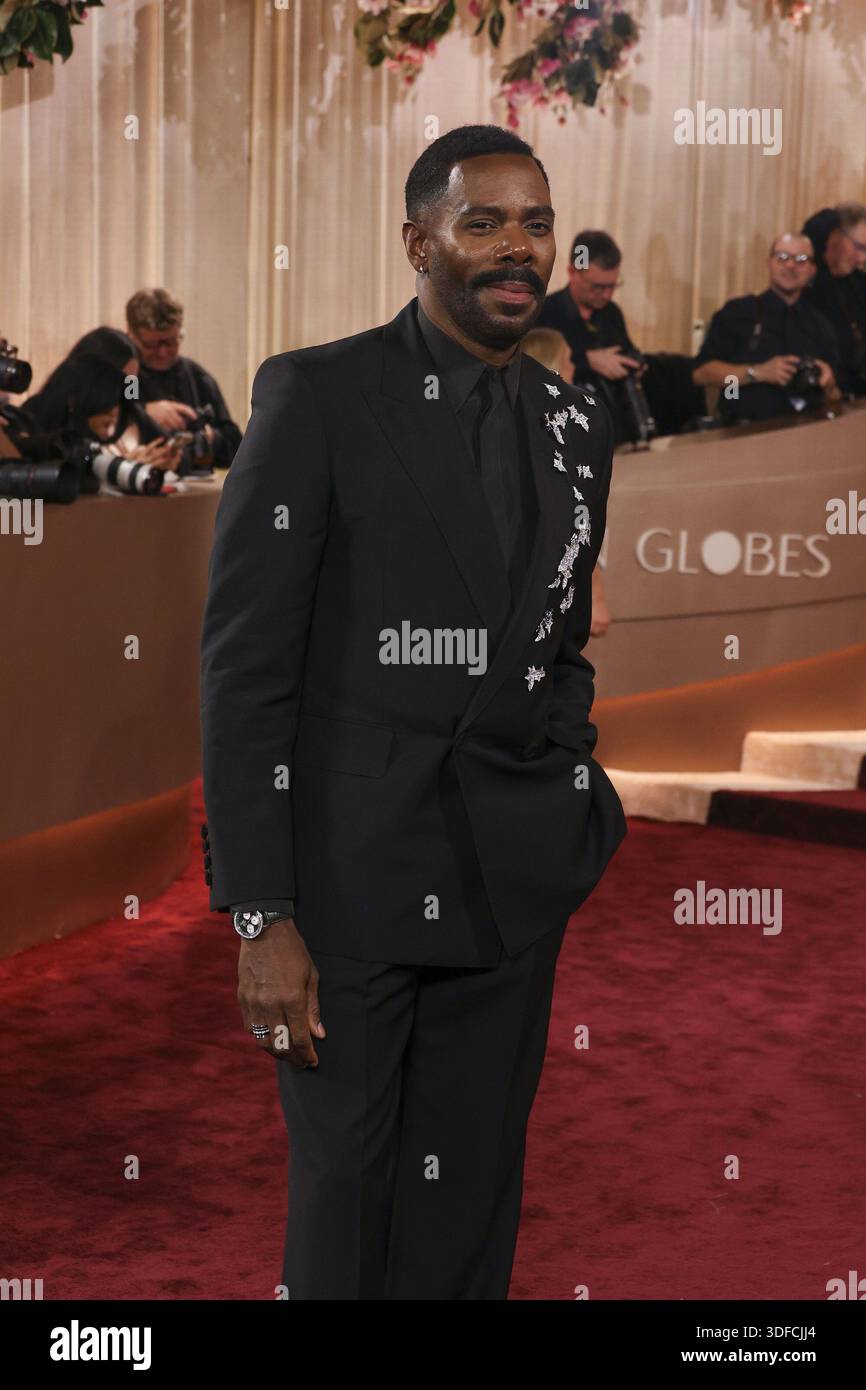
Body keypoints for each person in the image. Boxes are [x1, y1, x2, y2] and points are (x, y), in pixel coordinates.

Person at [200, 122, 627, 1301]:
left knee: (471, 1192)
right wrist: (258, 914)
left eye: (534, 222)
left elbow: (563, 636)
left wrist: (571, 779)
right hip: (346, 888)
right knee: (348, 1199)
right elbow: (245, 672)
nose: (515, 247)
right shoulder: (318, 395)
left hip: (511, 883)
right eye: (481, 221)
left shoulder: (576, 424)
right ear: (417, 241)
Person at [692, 232, 841, 424]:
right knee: (733, 396)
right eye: (782, 257)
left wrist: (829, 386)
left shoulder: (821, 324)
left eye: (801, 260)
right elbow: (701, 373)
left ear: (812, 270)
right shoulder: (738, 312)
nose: (791, 265)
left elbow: (836, 397)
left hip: (805, 431)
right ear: (769, 263)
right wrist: (756, 373)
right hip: (743, 429)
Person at [522, 325, 612, 638]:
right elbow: (576, 516)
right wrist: (596, 595)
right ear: (554, 367)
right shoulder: (560, 429)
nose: (574, 368)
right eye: (569, 360)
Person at [536, 229, 649, 444]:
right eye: (597, 287)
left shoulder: (611, 313)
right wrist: (587, 360)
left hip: (614, 429)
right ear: (572, 271)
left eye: (612, 286)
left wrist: (635, 362)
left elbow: (624, 351)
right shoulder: (544, 313)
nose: (606, 295)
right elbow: (534, 371)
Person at [125, 287, 242, 467]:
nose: (162, 353)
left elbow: (235, 445)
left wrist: (207, 439)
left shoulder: (197, 377)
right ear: (131, 336)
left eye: (171, 342)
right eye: (152, 345)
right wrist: (145, 412)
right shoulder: (128, 377)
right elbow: (111, 424)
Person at [801, 201, 866, 397]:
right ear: (835, 236)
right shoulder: (738, 314)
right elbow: (729, 381)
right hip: (812, 405)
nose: (862, 259)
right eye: (859, 247)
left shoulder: (859, 284)